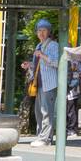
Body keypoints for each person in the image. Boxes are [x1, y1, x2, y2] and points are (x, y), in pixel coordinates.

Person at [22, 18, 59, 147]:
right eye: (39, 31)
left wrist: (42, 55)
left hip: (49, 83)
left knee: (46, 111)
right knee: (38, 111)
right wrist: (30, 65)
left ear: (48, 32)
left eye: (44, 30)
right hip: (39, 83)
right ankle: (40, 136)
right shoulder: (38, 46)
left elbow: (56, 63)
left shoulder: (53, 45)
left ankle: (45, 139)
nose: (41, 33)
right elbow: (39, 65)